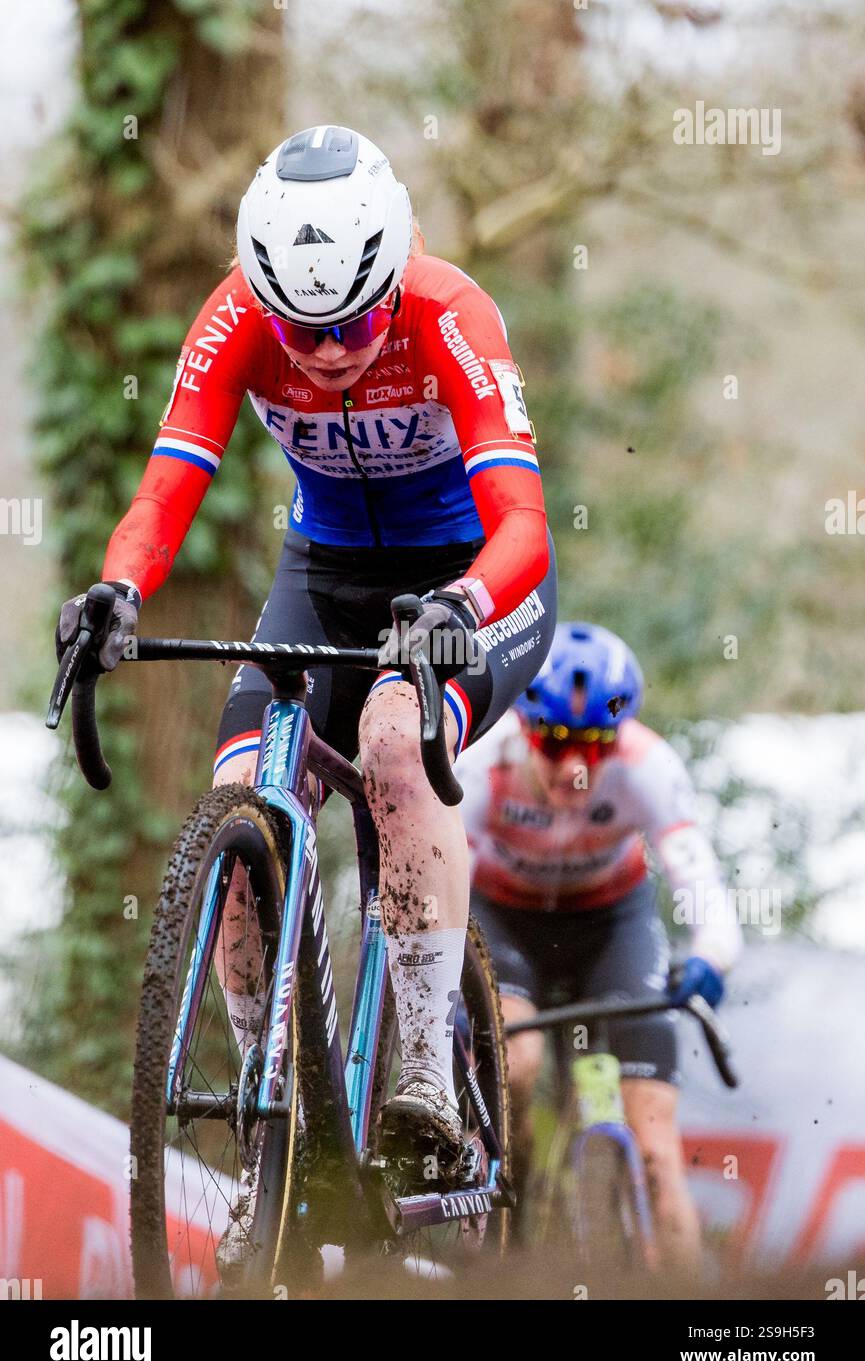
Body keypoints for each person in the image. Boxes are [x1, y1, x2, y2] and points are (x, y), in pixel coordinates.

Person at [55, 125, 557, 1175]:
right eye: (301, 330)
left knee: (391, 733)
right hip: (324, 576)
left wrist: (462, 599)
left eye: (358, 320)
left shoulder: (451, 313)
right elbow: (166, 489)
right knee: (239, 776)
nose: (330, 349)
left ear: (393, 276)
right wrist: (116, 590)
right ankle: (268, 1110)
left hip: (472, 577)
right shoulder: (232, 315)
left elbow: (523, 523)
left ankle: (424, 1063)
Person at [456, 621, 743, 1267]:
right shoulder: (482, 761)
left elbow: (697, 876)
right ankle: (514, 1191)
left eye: (594, 746)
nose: (576, 766)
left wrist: (710, 956)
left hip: (610, 923)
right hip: (504, 922)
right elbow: (440, 880)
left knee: (655, 1143)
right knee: (519, 1062)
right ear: (525, 731)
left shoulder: (647, 765)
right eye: (556, 744)